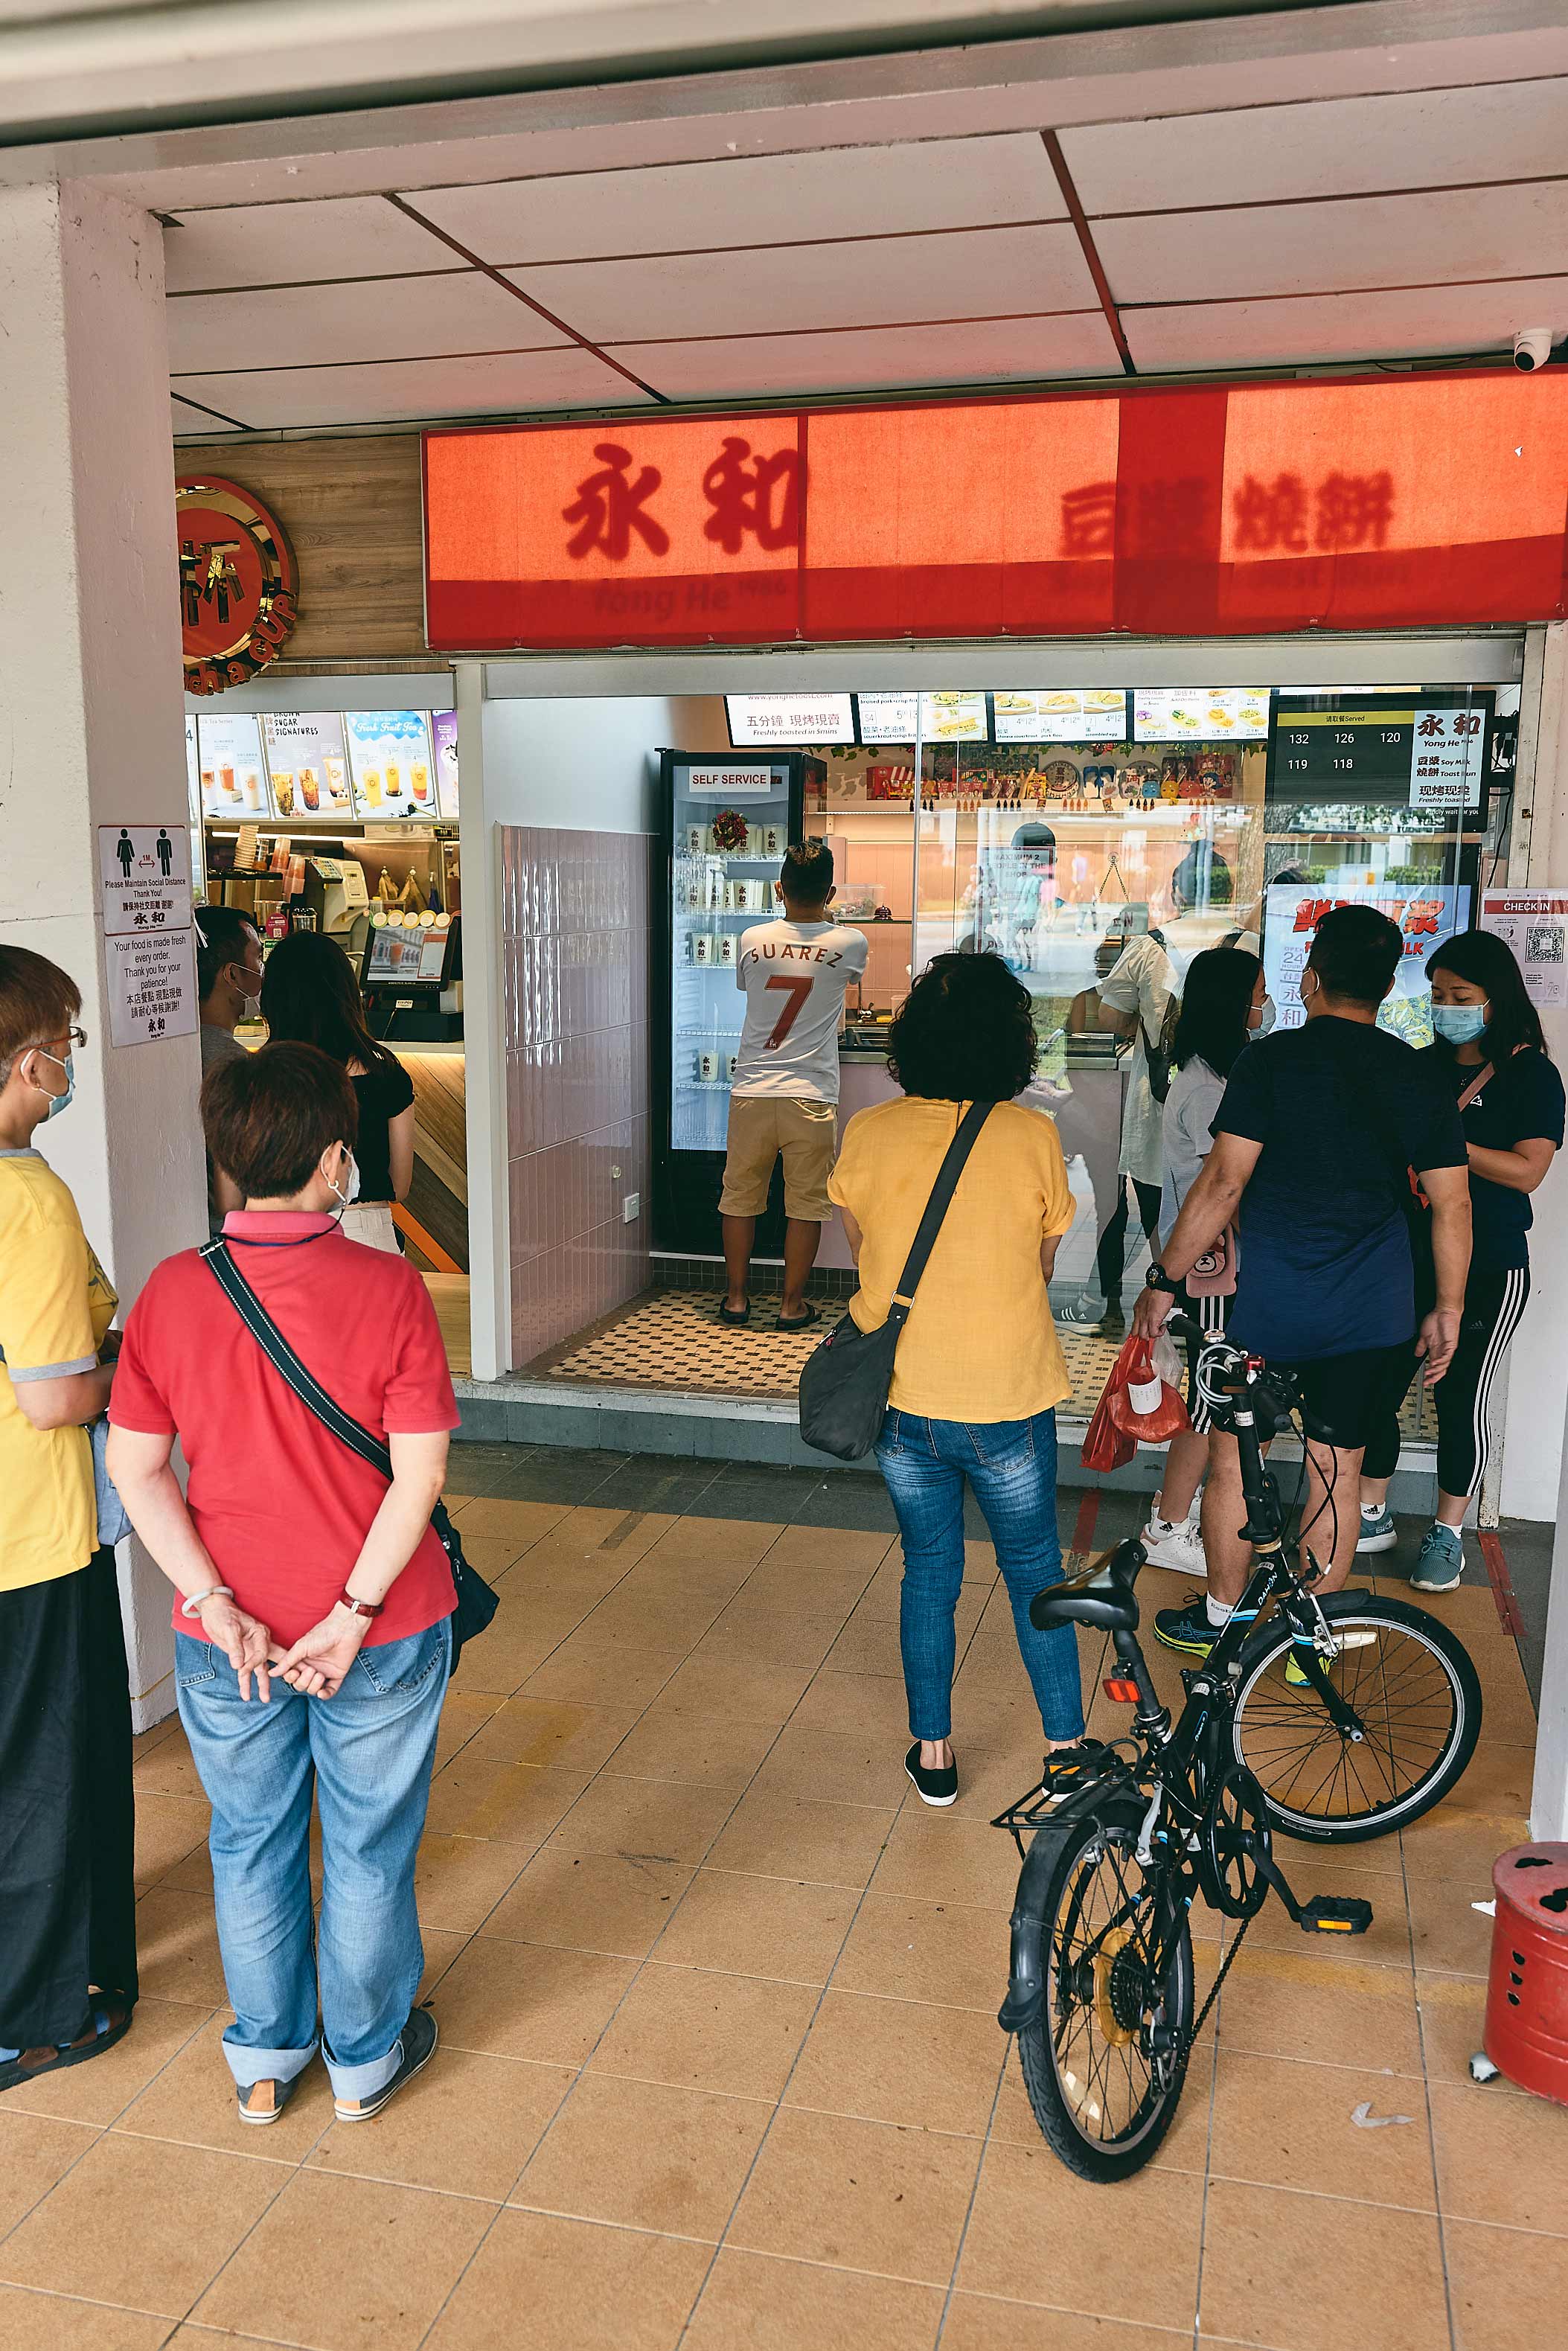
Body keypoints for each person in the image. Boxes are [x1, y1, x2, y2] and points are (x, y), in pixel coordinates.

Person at [106, 1041, 458, 2127]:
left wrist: (212, 1600)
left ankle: (265, 2055)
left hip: (231, 1635)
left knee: (250, 1836)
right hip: (379, 1626)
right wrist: (350, 1616)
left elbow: (134, 1465)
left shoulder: (170, 1290)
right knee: (363, 1839)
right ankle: (360, 2058)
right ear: (332, 1159)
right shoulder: (388, 1282)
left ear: (229, 1162)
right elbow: (420, 1475)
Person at [1133, 904, 1471, 1657]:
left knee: (1230, 1460)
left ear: (1311, 977)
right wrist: (1446, 1306)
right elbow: (1451, 1202)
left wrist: (1164, 1279)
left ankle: (1222, 1627)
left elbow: (1221, 1184)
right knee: (1336, 1469)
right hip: (1372, 1311)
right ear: (1387, 987)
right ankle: (1307, 1644)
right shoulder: (1414, 1076)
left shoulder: (1271, 1062)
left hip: (1267, 1307)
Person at [828, 953, 1099, 1808]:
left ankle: (935, 1754)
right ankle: (1064, 1752)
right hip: (1008, 1395)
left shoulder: (869, 1133)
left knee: (929, 1570)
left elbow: (865, 1250)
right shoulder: (1031, 1137)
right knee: (1033, 1575)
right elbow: (1045, 1261)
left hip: (903, 1398)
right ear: (1011, 1045)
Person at [0, 947, 136, 2098]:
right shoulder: (25, 1194)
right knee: (42, 1767)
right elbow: (54, 1394)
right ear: (19, 1057)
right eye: (61, 1044)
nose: (66, 1067)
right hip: (30, 1528)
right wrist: (135, 1371)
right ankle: (33, 2015)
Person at [1358, 930, 1564, 1590]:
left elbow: (1528, 1170)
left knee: (1459, 1397)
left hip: (1490, 1267)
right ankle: (1370, 1509)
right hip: (1405, 1258)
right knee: (1378, 1388)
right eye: (1438, 995)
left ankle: (1448, 1532)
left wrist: (1449, 1144)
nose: (1444, 1007)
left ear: (1494, 999)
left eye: (1459, 996)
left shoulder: (1530, 1074)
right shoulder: (1418, 1066)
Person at [1139, 944, 1270, 1578]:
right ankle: (1169, 1523)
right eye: (1257, 993)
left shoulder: (1218, 1075)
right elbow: (1219, 1189)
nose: (1264, 1005)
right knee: (1211, 1398)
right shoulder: (1202, 1086)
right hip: (1208, 1269)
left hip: (1211, 1266)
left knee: (1207, 1396)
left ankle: (1171, 1518)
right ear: (1233, 1003)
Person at [720, 839, 868, 1329]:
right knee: (805, 1203)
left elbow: (750, 989)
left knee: (740, 1197)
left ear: (778, 888)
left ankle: (736, 1299)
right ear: (829, 891)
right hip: (811, 1092)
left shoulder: (750, 939)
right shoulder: (850, 943)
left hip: (752, 1090)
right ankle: (791, 1305)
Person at [259, 930, 415, 1253]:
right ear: (345, 990)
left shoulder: (263, 1077)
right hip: (371, 1238)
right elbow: (399, 1186)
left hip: (285, 1241)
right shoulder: (384, 1072)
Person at [1060, 915, 1177, 1337]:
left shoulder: (1104, 1003)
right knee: (1129, 1210)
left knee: (1128, 1210)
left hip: (1122, 1119)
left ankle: (1100, 1298)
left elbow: (1076, 1064)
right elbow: (1076, 1062)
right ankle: (1105, 1298)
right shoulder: (1087, 1000)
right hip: (1110, 1121)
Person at [195, 906, 264, 1237]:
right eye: (258, 958)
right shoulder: (239, 1067)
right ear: (232, 975)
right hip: (229, 1241)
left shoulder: (170, 1055)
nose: (263, 971)